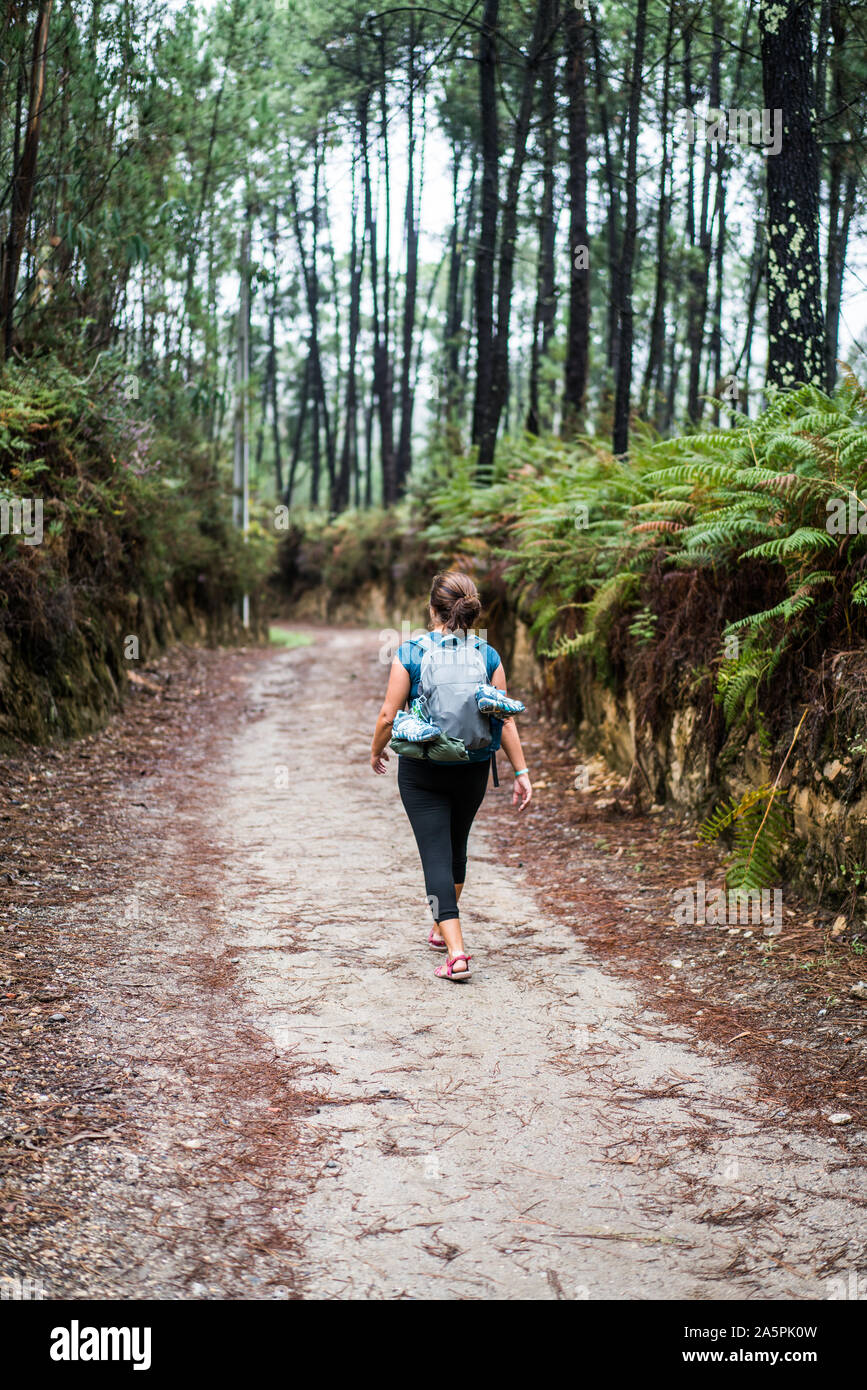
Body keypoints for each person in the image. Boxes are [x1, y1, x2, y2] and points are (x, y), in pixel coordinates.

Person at [370, 571, 532, 981]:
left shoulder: (410, 652)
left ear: (432, 610)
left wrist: (375, 750)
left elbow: (388, 715)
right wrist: (522, 771)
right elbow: (505, 719)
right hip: (473, 768)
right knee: (456, 847)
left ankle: (457, 953)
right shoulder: (488, 654)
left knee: (435, 857)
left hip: (423, 771)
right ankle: (444, 925)